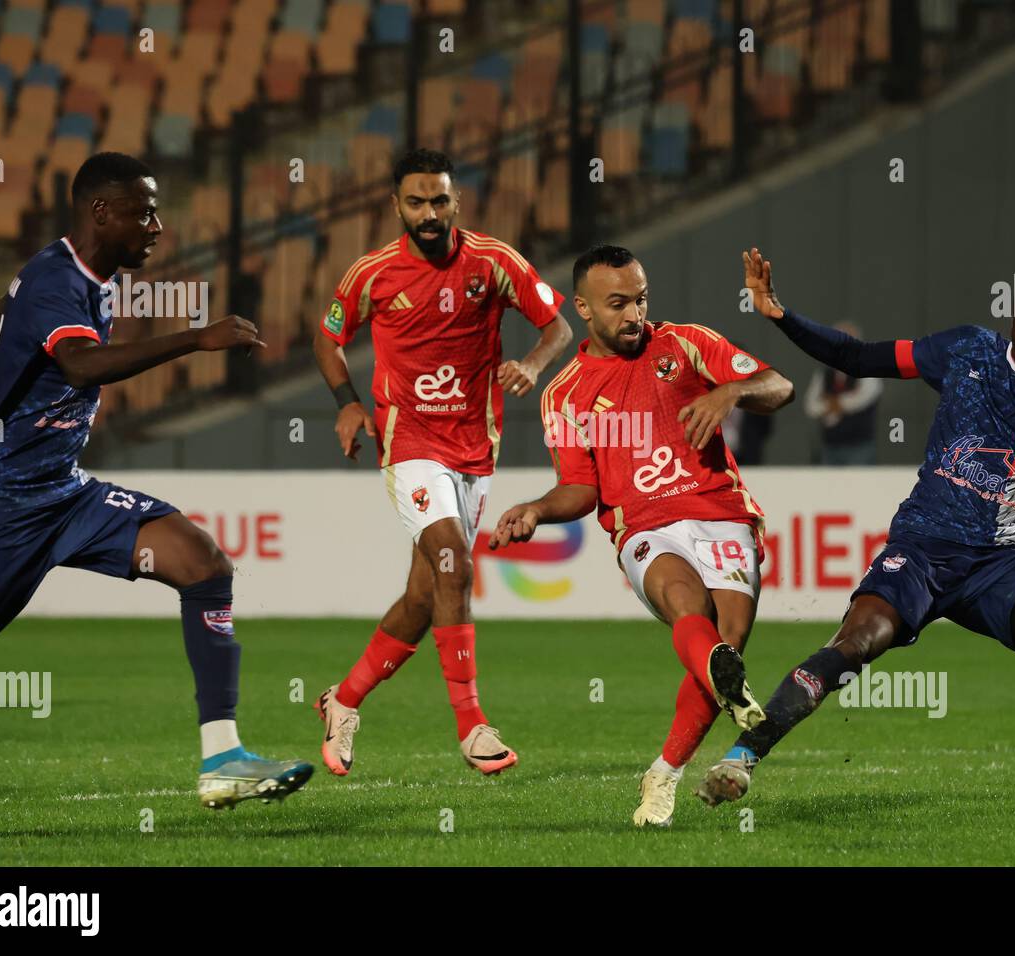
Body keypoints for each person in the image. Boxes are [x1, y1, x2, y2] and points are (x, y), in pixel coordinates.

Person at [697, 233, 1015, 825]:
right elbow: (857, 358)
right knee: (856, 644)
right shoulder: (965, 350)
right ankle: (742, 757)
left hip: (1006, 561)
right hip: (925, 545)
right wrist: (779, 314)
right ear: (1011, 318)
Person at [0, 152, 312, 809]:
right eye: (143, 212)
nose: (156, 225)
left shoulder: (97, 280)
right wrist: (195, 338)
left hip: (62, 491)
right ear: (100, 212)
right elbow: (82, 365)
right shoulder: (53, 280)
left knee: (203, 564)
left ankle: (224, 758)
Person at [488, 244, 794, 826]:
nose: (634, 315)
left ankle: (664, 774)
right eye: (618, 304)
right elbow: (580, 489)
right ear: (583, 307)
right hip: (645, 528)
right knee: (687, 604)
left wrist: (731, 391)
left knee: (722, 645)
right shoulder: (566, 393)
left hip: (723, 513)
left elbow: (779, 386)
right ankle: (725, 689)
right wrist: (536, 509)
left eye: (641, 300)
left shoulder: (685, 344)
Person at [312, 148, 573, 777]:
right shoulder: (372, 274)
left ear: (456, 202)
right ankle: (472, 725)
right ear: (396, 205)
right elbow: (328, 336)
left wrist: (533, 365)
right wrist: (348, 403)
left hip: (475, 450)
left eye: (439, 201)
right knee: (454, 562)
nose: (428, 214)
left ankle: (342, 702)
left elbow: (559, 327)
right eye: (415, 202)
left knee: (427, 596)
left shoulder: (493, 261)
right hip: (409, 443)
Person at [803, 321, 882, 464]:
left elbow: (862, 398)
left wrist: (832, 402)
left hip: (859, 447)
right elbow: (811, 406)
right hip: (830, 446)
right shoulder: (824, 374)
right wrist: (834, 405)